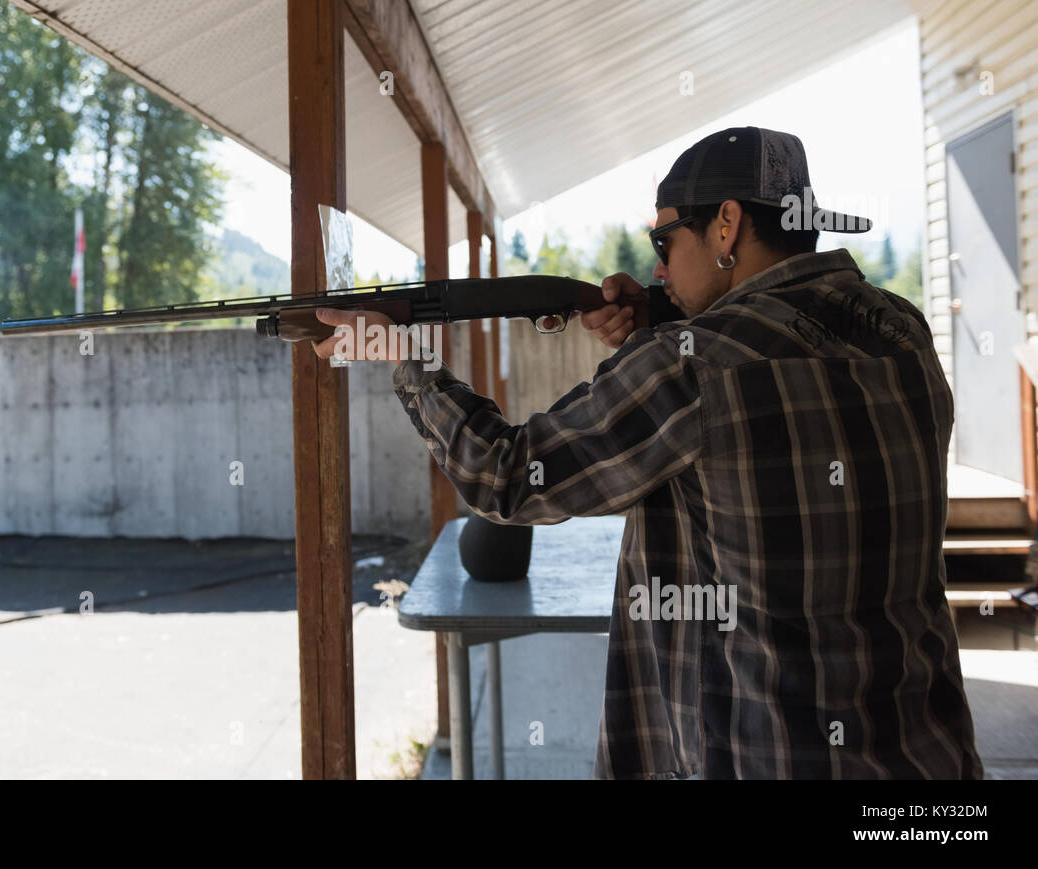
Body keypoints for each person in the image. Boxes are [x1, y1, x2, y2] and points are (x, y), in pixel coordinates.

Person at [312, 126, 984, 780]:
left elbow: (506, 476)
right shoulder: (903, 331)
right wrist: (668, 314)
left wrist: (406, 358)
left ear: (726, 225)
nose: (657, 267)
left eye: (665, 239)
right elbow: (785, 341)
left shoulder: (689, 368)